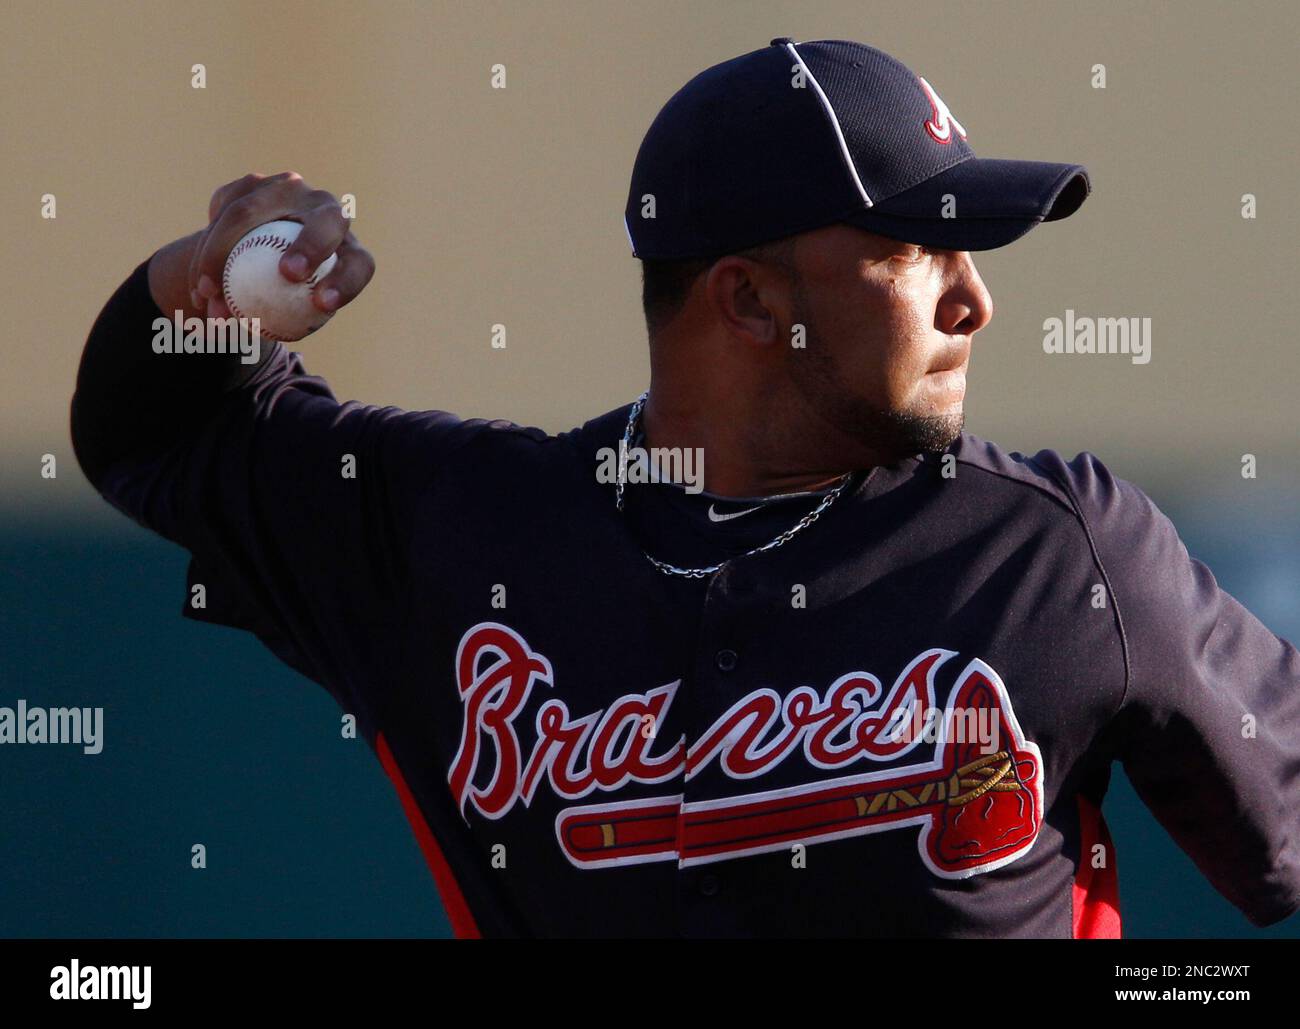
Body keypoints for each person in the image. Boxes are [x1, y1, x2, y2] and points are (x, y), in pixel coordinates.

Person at [71, 38, 1299, 938]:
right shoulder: (461, 531)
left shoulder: (1057, 555)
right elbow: (150, 429)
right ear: (749, 300)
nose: (974, 299)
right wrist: (204, 283)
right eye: (914, 251)